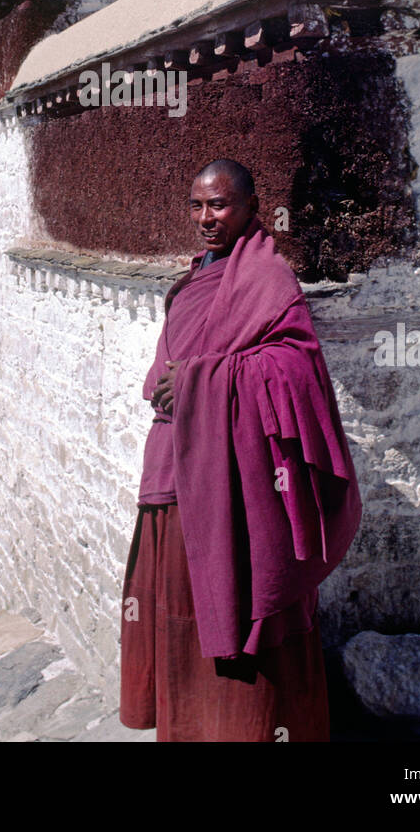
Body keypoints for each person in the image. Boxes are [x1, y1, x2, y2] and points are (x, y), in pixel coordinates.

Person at [119, 158, 362, 742]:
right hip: (177, 468)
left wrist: (203, 380)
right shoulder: (194, 277)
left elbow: (296, 368)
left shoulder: (268, 278)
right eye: (197, 205)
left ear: (252, 206)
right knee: (183, 609)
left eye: (220, 204)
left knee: (246, 604)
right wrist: (181, 382)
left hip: (243, 483)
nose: (206, 218)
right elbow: (165, 372)